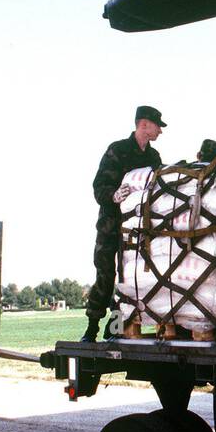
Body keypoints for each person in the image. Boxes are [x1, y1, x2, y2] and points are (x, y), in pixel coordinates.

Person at [83, 106, 166, 341]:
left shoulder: (154, 157)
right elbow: (99, 186)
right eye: (157, 125)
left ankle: (116, 329)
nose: (160, 130)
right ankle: (91, 329)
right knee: (106, 274)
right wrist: (114, 195)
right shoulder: (117, 150)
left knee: (128, 280)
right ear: (144, 124)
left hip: (138, 230)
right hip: (112, 227)